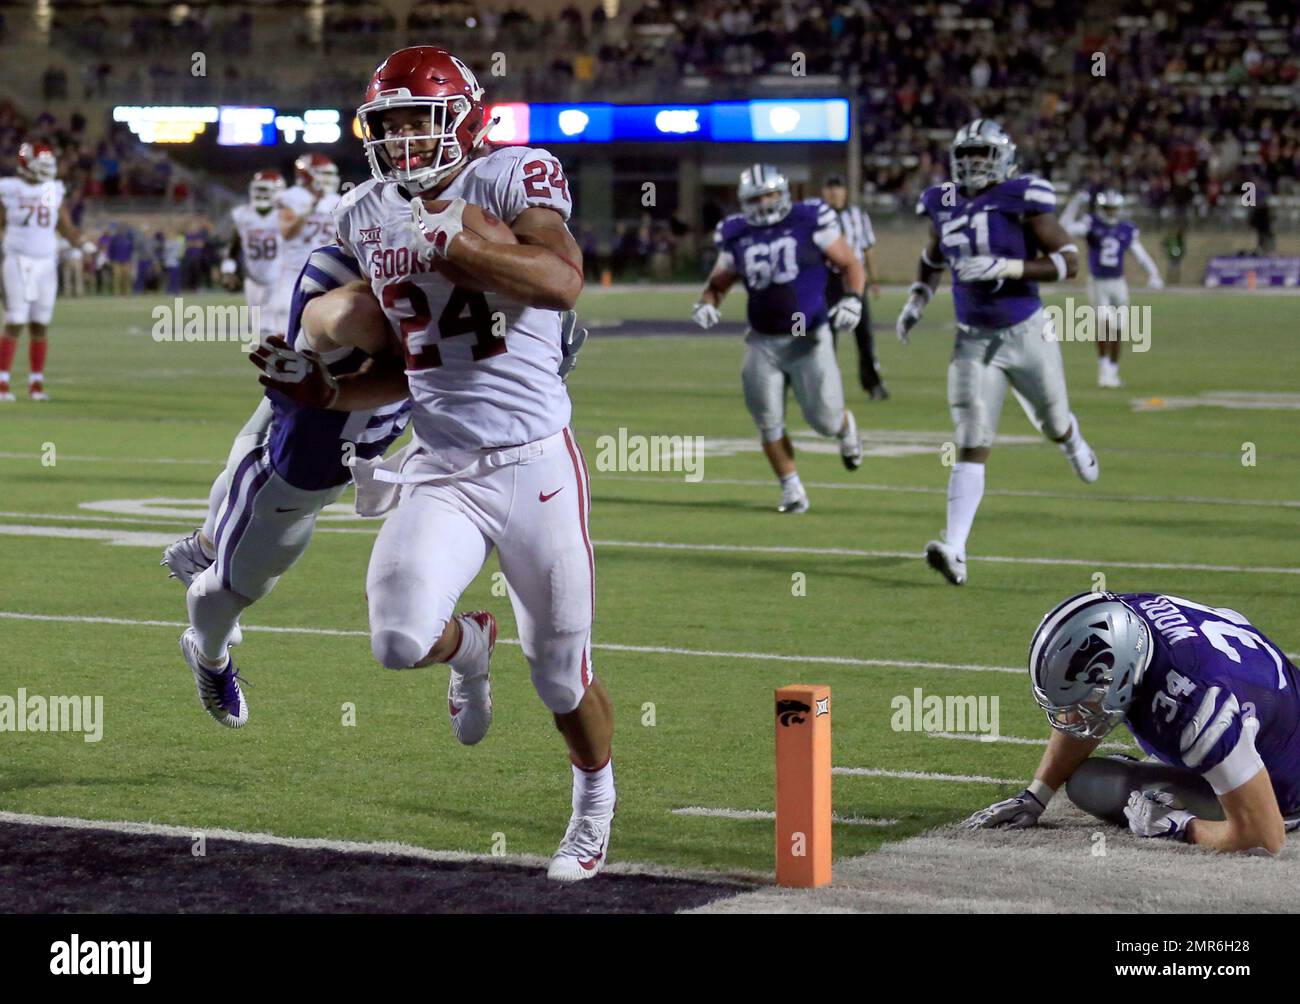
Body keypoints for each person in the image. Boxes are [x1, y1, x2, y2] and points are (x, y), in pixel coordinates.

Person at [275, 45, 612, 882]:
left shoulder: (510, 178)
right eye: (386, 125)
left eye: (417, 121)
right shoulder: (360, 212)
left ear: (461, 117)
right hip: (442, 461)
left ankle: (594, 804)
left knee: (561, 679)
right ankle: (468, 649)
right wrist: (325, 392)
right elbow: (406, 358)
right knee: (395, 640)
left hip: (534, 463)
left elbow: (562, 282)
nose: (403, 141)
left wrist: (455, 244)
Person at [897, 119, 1098, 586]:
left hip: (1026, 331)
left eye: (983, 155)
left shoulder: (1022, 198)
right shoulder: (941, 201)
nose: (973, 163)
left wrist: (1005, 266)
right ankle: (956, 547)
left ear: (1003, 159)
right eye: (966, 154)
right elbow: (932, 259)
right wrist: (917, 299)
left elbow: (1069, 264)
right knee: (971, 436)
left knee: (1051, 420)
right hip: (972, 338)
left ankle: (1071, 440)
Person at [965, 591, 1300, 854]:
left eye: (1081, 702)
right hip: (1259, 691)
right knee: (1093, 777)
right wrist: (1036, 796)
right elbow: (1091, 705)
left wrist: (1181, 826)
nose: (1071, 717)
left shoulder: (1193, 709)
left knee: (1092, 785)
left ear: (1122, 675)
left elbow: (1264, 838)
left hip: (1283, 788)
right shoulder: (1126, 617)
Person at [691, 164, 866, 514]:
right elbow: (718, 283)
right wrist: (707, 304)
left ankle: (845, 427)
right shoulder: (735, 232)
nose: (765, 202)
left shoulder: (810, 217)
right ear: (744, 202)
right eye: (757, 197)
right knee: (767, 419)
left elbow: (850, 263)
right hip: (762, 340)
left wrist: (853, 298)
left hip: (809, 336)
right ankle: (792, 490)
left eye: (770, 194)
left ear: (784, 193)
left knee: (824, 421)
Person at [0, 141, 96, 401]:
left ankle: (36, 384)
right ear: (26, 164)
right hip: (17, 260)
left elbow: (65, 226)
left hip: (46, 263)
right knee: (16, 320)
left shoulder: (53, 189)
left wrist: (84, 244)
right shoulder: (9, 189)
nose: (47, 169)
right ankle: (2, 383)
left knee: (40, 323)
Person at [1060, 189, 1163, 388]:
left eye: (1113, 208)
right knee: (1105, 326)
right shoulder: (1091, 224)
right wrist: (1074, 204)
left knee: (1118, 329)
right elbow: (1065, 227)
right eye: (1107, 208)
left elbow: (1139, 254)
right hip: (1098, 283)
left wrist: (1153, 273)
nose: (1110, 212)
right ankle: (1103, 370)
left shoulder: (1126, 228)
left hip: (1118, 283)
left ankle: (1112, 373)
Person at [822, 174, 886, 398]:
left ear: (845, 192)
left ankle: (873, 384)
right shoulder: (819, 217)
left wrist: (874, 279)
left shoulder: (858, 216)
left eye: (837, 188)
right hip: (829, 280)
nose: (834, 193)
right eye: (830, 188)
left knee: (864, 335)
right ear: (824, 192)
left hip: (855, 281)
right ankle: (824, 384)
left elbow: (868, 247)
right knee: (826, 335)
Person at [269, 153, 340, 337]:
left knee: (323, 332)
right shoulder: (291, 197)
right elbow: (287, 232)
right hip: (294, 270)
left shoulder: (336, 200)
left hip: (325, 270)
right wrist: (310, 209)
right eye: (323, 174)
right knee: (285, 332)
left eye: (330, 175)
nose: (328, 180)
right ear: (308, 175)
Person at [223, 169, 284, 335]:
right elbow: (234, 246)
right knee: (257, 327)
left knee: (275, 324)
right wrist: (229, 271)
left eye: (266, 190)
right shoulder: (242, 214)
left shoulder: (285, 215)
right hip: (252, 277)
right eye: (259, 189)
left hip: (279, 275)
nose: (261, 194)